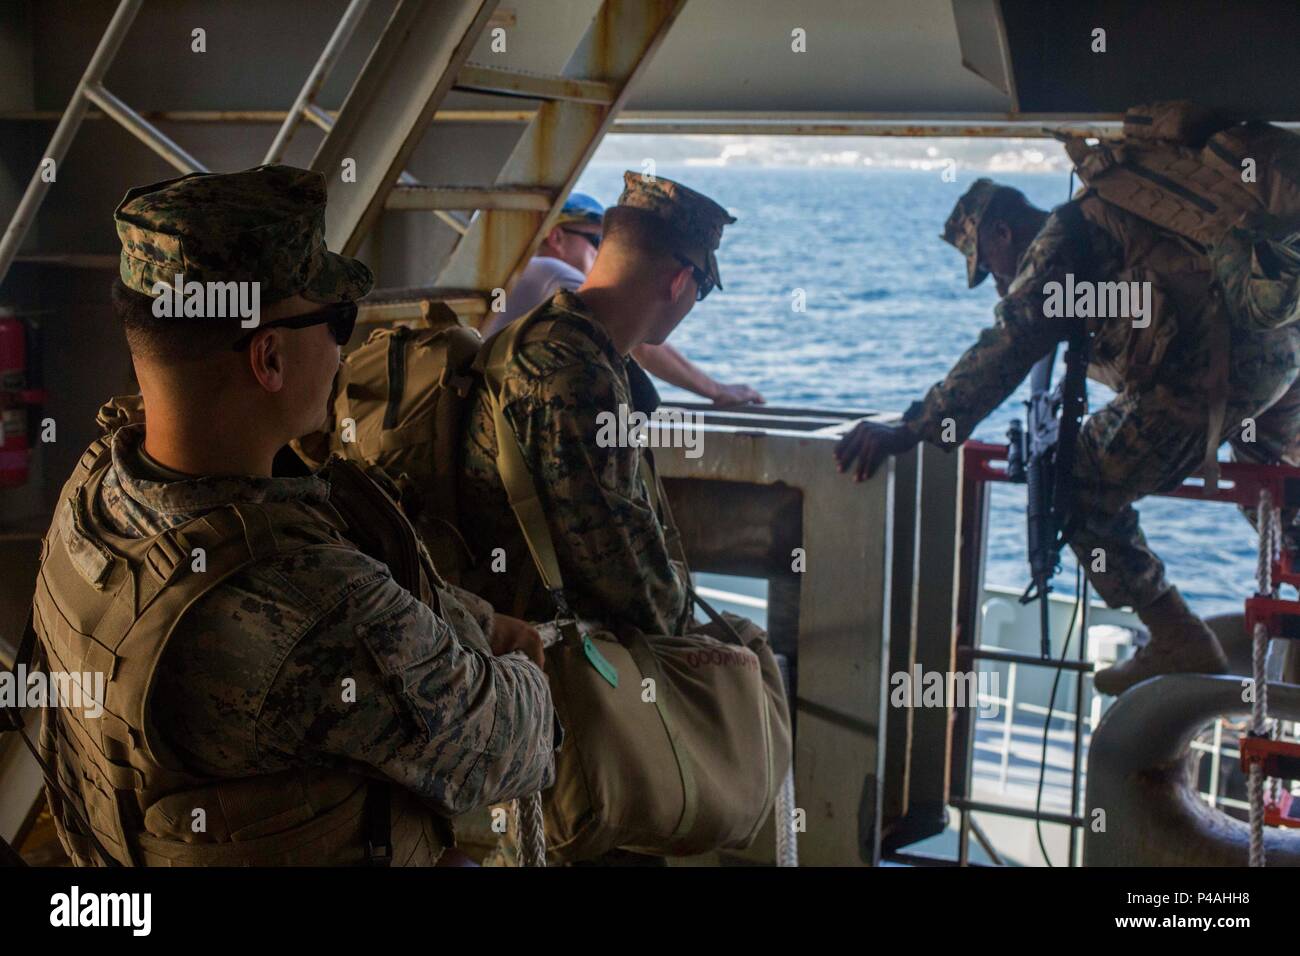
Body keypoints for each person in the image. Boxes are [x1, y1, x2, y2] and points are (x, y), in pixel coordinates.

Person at [25, 164, 556, 867]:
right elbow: (506, 749)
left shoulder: (95, 492)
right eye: (338, 321)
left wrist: (473, 623)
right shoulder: (307, 600)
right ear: (268, 357)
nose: (342, 349)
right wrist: (527, 664)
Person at [834, 178, 1300, 695]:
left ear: (1002, 233)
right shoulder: (1106, 218)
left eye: (988, 268)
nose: (996, 284)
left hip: (1219, 366)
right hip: (1280, 355)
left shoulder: (1060, 242)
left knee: (1074, 479)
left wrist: (914, 427)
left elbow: (1010, 341)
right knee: (1274, 483)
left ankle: (1177, 634)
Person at [459, 172, 735, 633]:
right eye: (701, 289)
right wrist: (703, 630)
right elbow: (630, 582)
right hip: (548, 644)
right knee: (744, 658)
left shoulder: (548, 334)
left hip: (518, 617)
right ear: (679, 281)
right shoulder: (579, 379)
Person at [481, 191, 764, 408]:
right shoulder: (556, 277)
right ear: (556, 237)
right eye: (595, 242)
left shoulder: (512, 274)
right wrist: (716, 390)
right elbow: (639, 341)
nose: (601, 254)